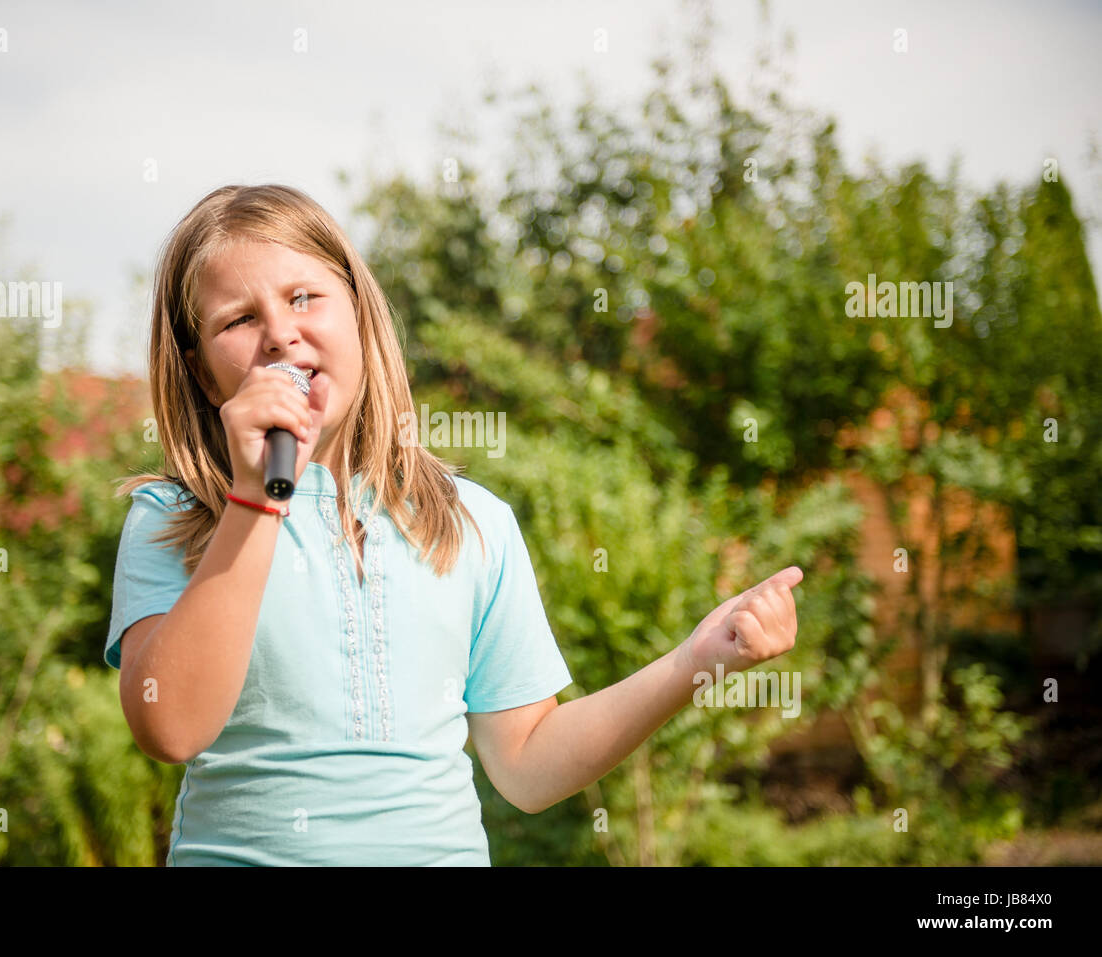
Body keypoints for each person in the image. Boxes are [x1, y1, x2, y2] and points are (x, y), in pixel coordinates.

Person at [105, 183, 803, 866]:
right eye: (238, 319)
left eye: (302, 297)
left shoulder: (474, 523)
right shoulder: (175, 519)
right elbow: (170, 726)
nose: (280, 332)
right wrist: (254, 500)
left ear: (358, 311)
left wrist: (696, 661)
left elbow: (527, 762)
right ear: (201, 374)